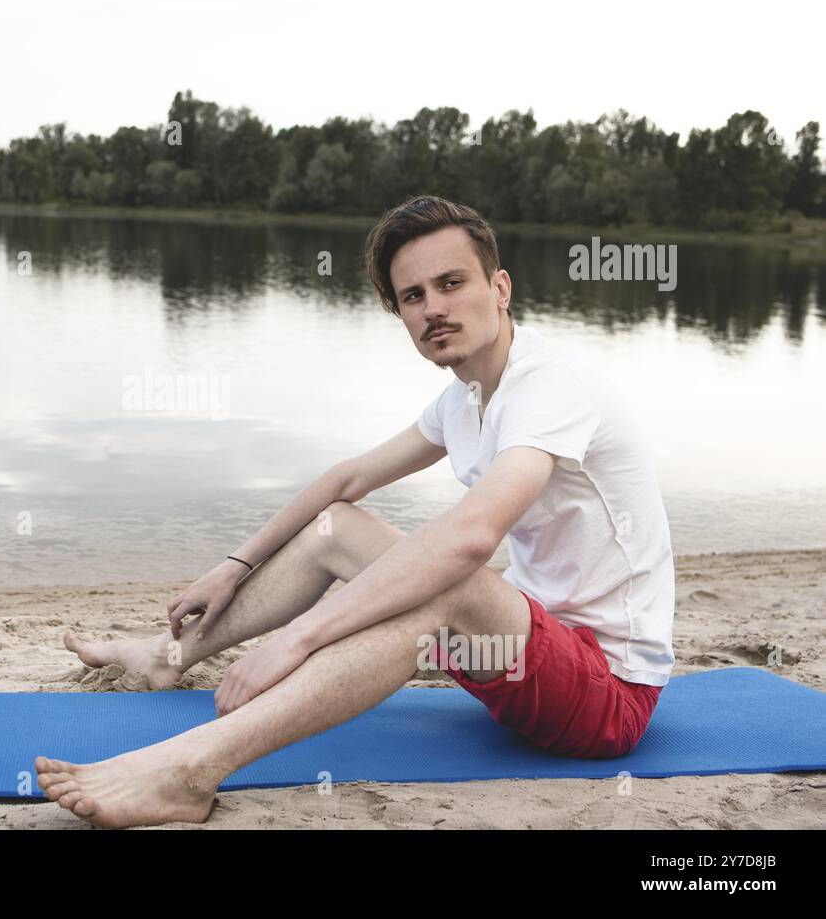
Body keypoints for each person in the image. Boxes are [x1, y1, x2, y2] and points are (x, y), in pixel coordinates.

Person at [38, 195, 676, 827]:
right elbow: (347, 479)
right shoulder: (464, 398)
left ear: (500, 286)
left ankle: (189, 772)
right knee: (337, 527)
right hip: (519, 655)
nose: (434, 309)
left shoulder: (551, 386)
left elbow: (473, 538)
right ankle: (165, 656)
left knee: (440, 586)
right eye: (413, 296)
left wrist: (299, 638)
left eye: (451, 283)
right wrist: (234, 564)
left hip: (607, 695)